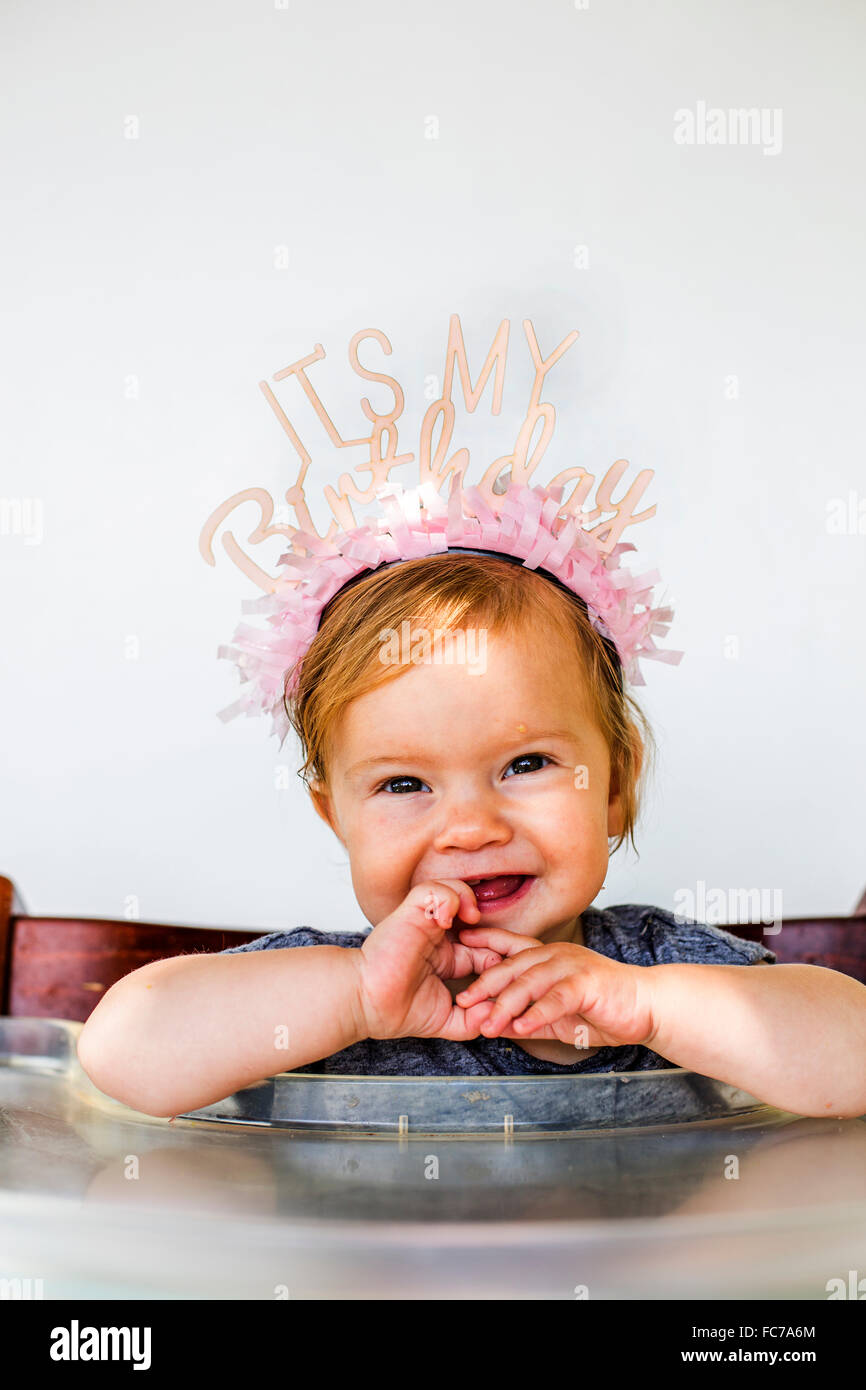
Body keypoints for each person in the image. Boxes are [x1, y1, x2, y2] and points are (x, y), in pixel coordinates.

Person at [76, 476, 866, 1120]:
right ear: (337, 818)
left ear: (616, 786)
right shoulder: (321, 987)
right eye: (404, 784)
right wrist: (355, 998)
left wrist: (648, 1007)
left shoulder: (652, 967)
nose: (470, 827)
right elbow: (120, 1052)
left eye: (525, 764)